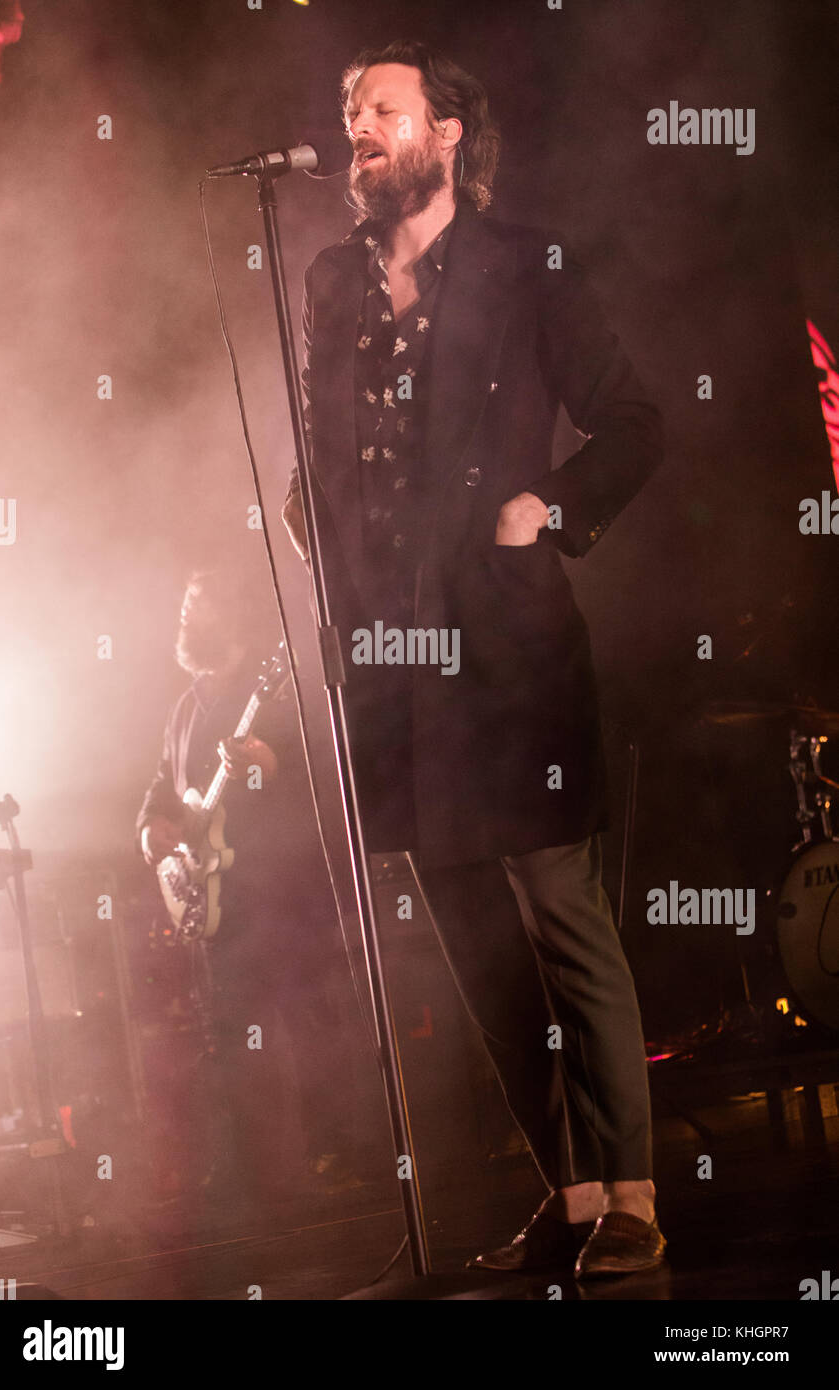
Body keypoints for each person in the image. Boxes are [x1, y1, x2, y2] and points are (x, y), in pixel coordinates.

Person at [282, 40, 666, 1278]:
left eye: (381, 110)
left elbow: (633, 421)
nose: (359, 130)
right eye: (350, 115)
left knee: (561, 916)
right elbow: (313, 453)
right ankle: (569, 1198)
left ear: (446, 132)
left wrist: (545, 509)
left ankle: (637, 1200)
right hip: (390, 660)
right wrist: (314, 526)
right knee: (472, 940)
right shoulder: (332, 282)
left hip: (507, 648)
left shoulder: (525, 263)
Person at [136, 567, 358, 1212]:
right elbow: (163, 783)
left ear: (228, 615)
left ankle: (338, 1156)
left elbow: (319, 771)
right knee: (237, 1035)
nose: (183, 620)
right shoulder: (187, 703)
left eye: (195, 607)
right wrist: (151, 826)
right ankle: (267, 1171)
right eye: (183, 608)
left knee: (310, 1025)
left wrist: (265, 765)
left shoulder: (274, 692)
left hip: (282, 892)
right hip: (216, 900)